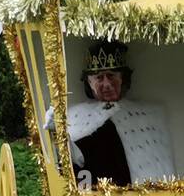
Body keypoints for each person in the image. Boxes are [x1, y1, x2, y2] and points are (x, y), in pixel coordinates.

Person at [58, 40, 174, 188]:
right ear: (89, 83)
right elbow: (72, 168)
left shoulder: (147, 117)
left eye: (111, 75)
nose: (106, 84)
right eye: (99, 78)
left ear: (123, 78)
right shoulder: (75, 119)